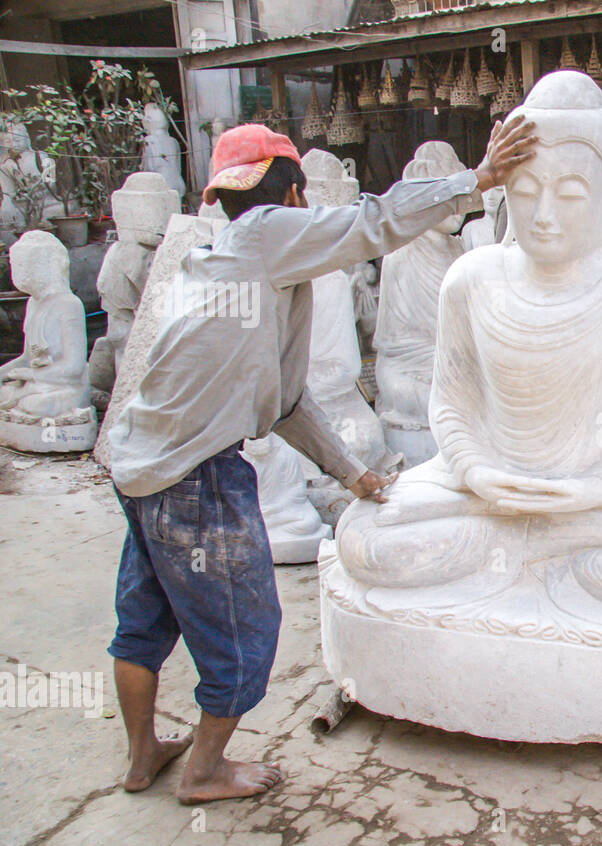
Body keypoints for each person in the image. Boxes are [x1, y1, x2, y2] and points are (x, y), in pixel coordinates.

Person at [106, 117, 536, 804]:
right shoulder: (266, 236)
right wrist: (475, 181)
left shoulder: (225, 257)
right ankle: (206, 770)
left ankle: (140, 759)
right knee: (247, 629)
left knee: (146, 619)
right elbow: (372, 223)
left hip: (139, 465)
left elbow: (281, 403)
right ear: (296, 194)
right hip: (194, 475)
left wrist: (353, 474)